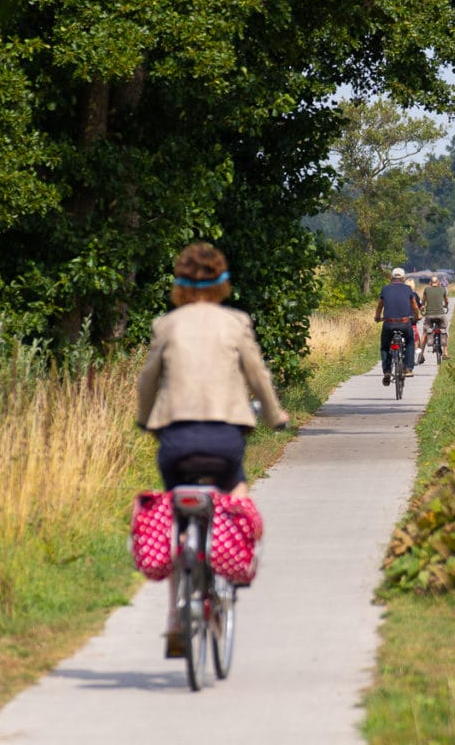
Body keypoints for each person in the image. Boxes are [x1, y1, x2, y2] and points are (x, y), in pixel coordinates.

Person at [136, 242, 290, 656]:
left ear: (178, 284)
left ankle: (174, 617)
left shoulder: (165, 325)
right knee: (235, 492)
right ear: (223, 282)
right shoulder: (236, 322)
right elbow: (257, 375)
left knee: (175, 507)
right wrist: (275, 415)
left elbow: (148, 380)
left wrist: (144, 417)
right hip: (224, 441)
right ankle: (232, 561)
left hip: (176, 442)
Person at [374, 267, 421, 384]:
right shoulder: (408, 289)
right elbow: (414, 305)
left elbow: (380, 306)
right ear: (403, 278)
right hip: (405, 323)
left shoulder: (385, 289)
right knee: (410, 342)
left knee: (385, 346)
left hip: (389, 323)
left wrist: (377, 317)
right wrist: (417, 316)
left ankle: (387, 371)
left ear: (392, 278)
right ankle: (409, 369)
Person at [419, 273, 449, 363]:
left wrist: (423, 307)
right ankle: (446, 352)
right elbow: (447, 301)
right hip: (440, 315)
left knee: (424, 333)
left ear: (430, 283)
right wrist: (446, 306)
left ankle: (421, 355)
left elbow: (423, 302)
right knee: (444, 330)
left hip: (429, 316)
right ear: (438, 282)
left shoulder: (426, 289)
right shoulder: (443, 289)